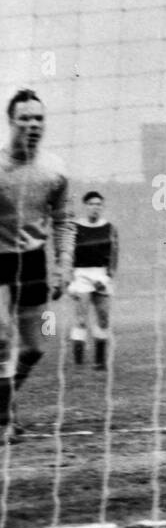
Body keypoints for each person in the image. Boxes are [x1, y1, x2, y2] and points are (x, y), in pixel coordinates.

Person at [0, 89, 74, 441]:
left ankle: (4, 402)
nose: (33, 124)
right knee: (1, 338)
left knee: (38, 345)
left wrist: (63, 264)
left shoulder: (54, 169)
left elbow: (63, 221)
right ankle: (2, 422)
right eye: (26, 118)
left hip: (32, 263)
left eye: (39, 118)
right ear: (10, 120)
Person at [67, 190, 118, 369]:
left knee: (103, 317)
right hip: (81, 274)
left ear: (102, 207)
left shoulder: (110, 228)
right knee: (81, 318)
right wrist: (69, 278)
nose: (95, 207)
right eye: (91, 204)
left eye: (98, 204)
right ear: (85, 206)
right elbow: (67, 253)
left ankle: (99, 360)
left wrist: (107, 276)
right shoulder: (75, 227)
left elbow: (114, 255)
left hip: (101, 274)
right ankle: (79, 361)